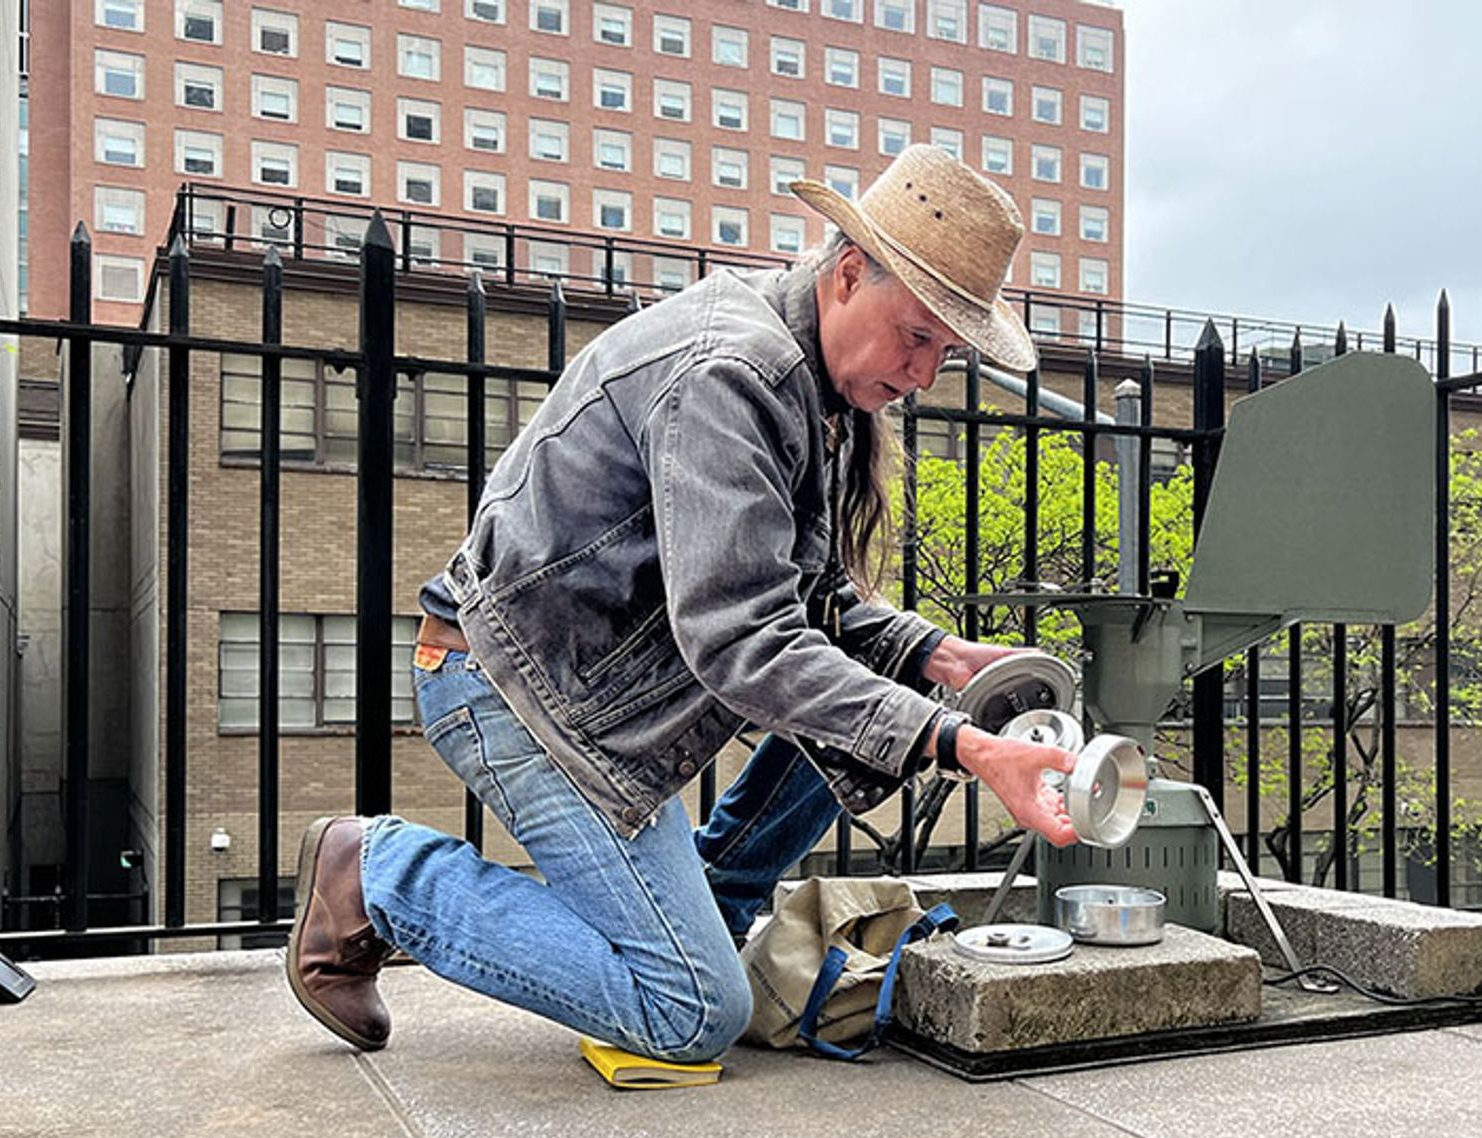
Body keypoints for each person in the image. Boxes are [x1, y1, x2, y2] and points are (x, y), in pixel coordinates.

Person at [284, 145, 1081, 1062]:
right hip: (510, 688)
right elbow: (742, 639)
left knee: (871, 707)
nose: (926, 375)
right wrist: (962, 742)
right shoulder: (731, 374)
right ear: (849, 273)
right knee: (693, 1011)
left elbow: (802, 597)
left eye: (946, 351)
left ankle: (702, 901)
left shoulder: (807, 385)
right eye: (917, 336)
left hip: (582, 690)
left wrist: (933, 655)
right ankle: (379, 873)